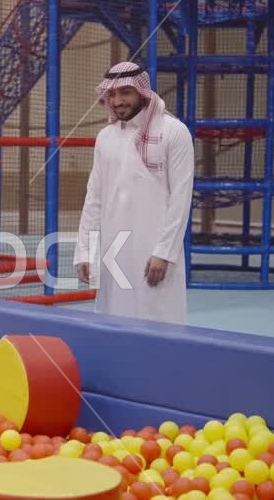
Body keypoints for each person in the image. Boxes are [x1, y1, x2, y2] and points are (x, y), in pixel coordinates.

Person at [75, 61, 195, 324]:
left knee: (159, 321)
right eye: (112, 94)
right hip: (112, 251)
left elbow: (181, 199)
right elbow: (94, 198)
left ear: (142, 92)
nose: (117, 101)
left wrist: (164, 252)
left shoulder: (174, 132)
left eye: (126, 93)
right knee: (113, 321)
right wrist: (86, 250)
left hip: (153, 251)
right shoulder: (105, 137)